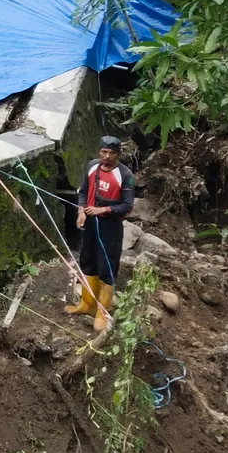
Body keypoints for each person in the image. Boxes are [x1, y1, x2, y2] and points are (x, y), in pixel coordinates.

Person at [69, 136, 136, 332]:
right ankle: (87, 304)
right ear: (99, 151)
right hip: (90, 222)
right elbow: (83, 191)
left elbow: (127, 206)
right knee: (87, 260)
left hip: (110, 226)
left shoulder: (125, 175)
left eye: (111, 153)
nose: (106, 156)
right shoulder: (92, 166)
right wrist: (81, 210)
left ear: (118, 154)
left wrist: (103, 210)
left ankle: (103, 312)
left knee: (107, 267)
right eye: (103, 152)